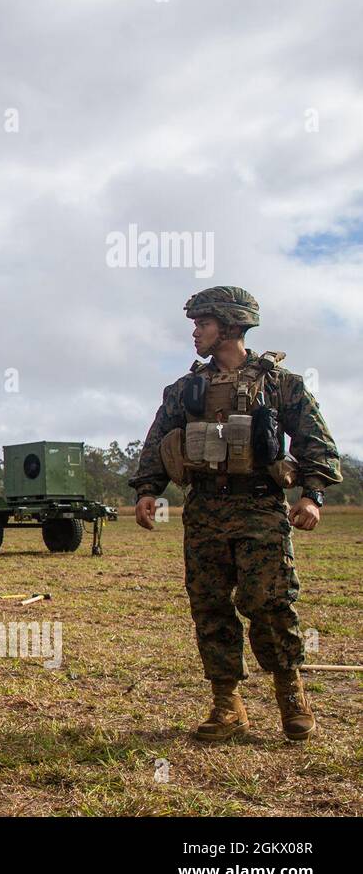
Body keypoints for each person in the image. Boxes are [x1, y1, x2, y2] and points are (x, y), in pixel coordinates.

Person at [130, 286, 341, 742]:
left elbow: (315, 443)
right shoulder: (185, 390)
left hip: (260, 507)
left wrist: (311, 496)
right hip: (204, 508)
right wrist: (148, 490)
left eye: (201, 325)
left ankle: (290, 693)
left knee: (269, 602)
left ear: (229, 326)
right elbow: (157, 442)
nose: (195, 334)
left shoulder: (281, 383)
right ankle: (227, 703)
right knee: (209, 605)